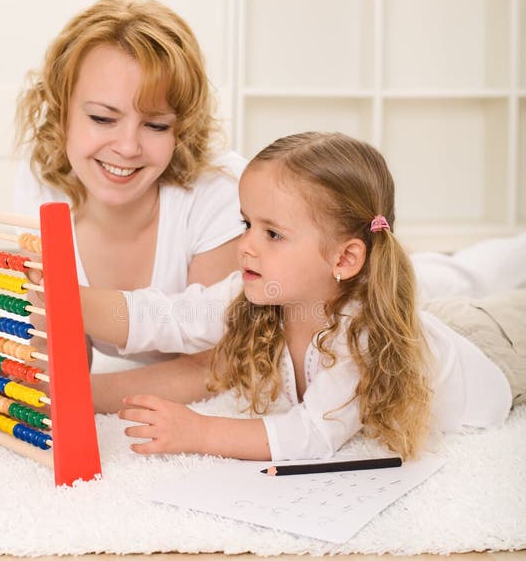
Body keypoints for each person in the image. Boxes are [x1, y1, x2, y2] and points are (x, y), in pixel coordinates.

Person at [72, 131, 525, 461]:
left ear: (344, 259)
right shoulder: (258, 289)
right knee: (459, 281)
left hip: (495, 352)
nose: (246, 244)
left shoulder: (357, 335)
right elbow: (172, 317)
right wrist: (72, 300)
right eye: (246, 224)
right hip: (440, 326)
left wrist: (201, 431)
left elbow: (312, 435)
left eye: (273, 233)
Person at [0, 0, 249, 429]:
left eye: (156, 125)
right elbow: (67, 349)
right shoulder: (43, 183)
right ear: (61, 112)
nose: (127, 147)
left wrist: (72, 395)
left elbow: (217, 365)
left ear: (182, 127)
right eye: (103, 118)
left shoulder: (220, 192)